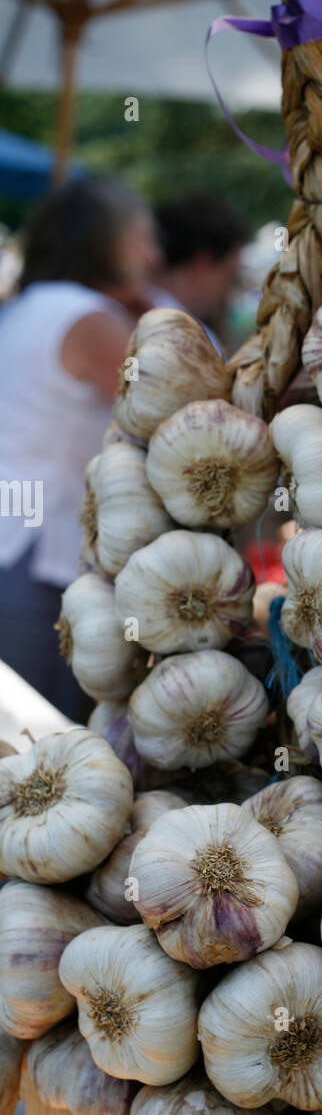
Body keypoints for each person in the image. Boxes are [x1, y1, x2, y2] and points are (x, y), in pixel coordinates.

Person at [0, 178, 162, 718]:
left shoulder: (32, 305)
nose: (154, 255)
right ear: (105, 244)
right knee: (36, 736)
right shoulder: (89, 319)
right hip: (40, 555)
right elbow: (174, 408)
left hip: (15, 536)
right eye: (142, 239)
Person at [150, 192, 250, 351]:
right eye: (229, 278)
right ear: (202, 265)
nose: (226, 295)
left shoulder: (117, 317)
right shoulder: (191, 340)